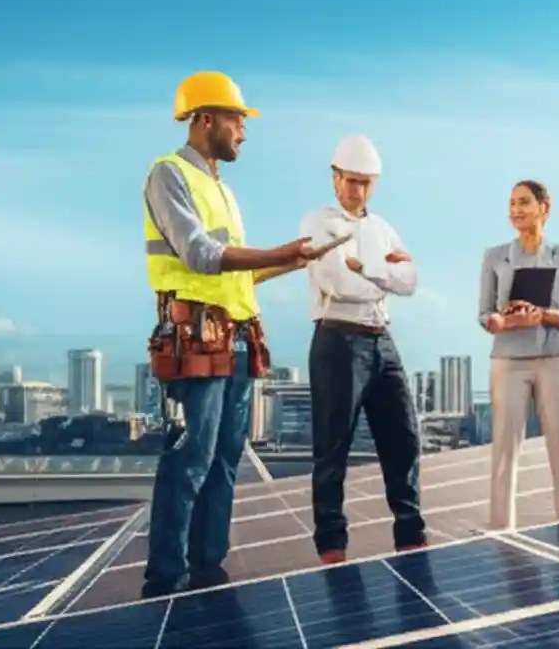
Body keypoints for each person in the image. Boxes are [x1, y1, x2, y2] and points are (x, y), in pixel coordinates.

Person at [142, 70, 331, 598]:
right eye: (237, 120)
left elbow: (237, 271)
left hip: (238, 339)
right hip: (196, 337)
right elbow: (201, 255)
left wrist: (293, 259)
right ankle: (165, 580)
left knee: (226, 459)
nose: (244, 132)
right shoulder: (168, 174)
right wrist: (278, 253)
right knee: (191, 459)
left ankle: (207, 570)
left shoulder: (222, 189)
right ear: (205, 119)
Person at [299, 134, 427, 564]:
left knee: (404, 440)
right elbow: (338, 282)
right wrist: (383, 278)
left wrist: (369, 272)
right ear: (335, 178)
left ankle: (411, 534)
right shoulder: (317, 222)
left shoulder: (381, 228)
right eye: (352, 181)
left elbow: (410, 280)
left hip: (382, 344)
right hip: (338, 341)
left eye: (367, 182)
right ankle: (332, 545)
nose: (359, 191)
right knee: (333, 447)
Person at [478, 180, 559, 530]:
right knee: (504, 452)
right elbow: (484, 314)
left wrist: (540, 315)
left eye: (524, 202)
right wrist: (502, 321)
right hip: (508, 361)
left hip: (554, 358)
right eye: (511, 204)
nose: (516, 210)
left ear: (545, 207)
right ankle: (500, 531)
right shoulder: (495, 256)